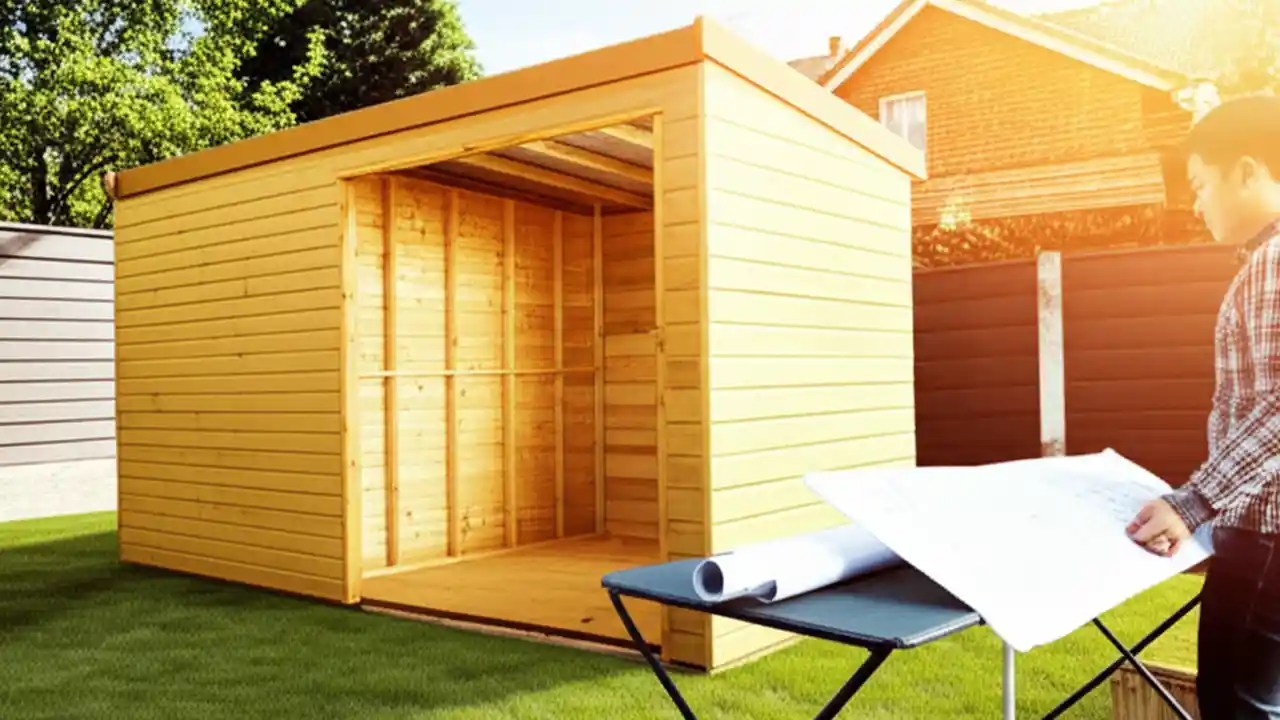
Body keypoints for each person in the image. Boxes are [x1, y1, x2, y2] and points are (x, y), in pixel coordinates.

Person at [1126, 93, 1280, 718]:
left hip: (1268, 540)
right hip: (1260, 534)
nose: (1194, 204)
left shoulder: (1273, 262)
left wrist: (1194, 501)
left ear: (1247, 172)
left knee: (1235, 706)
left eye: (1200, 185)